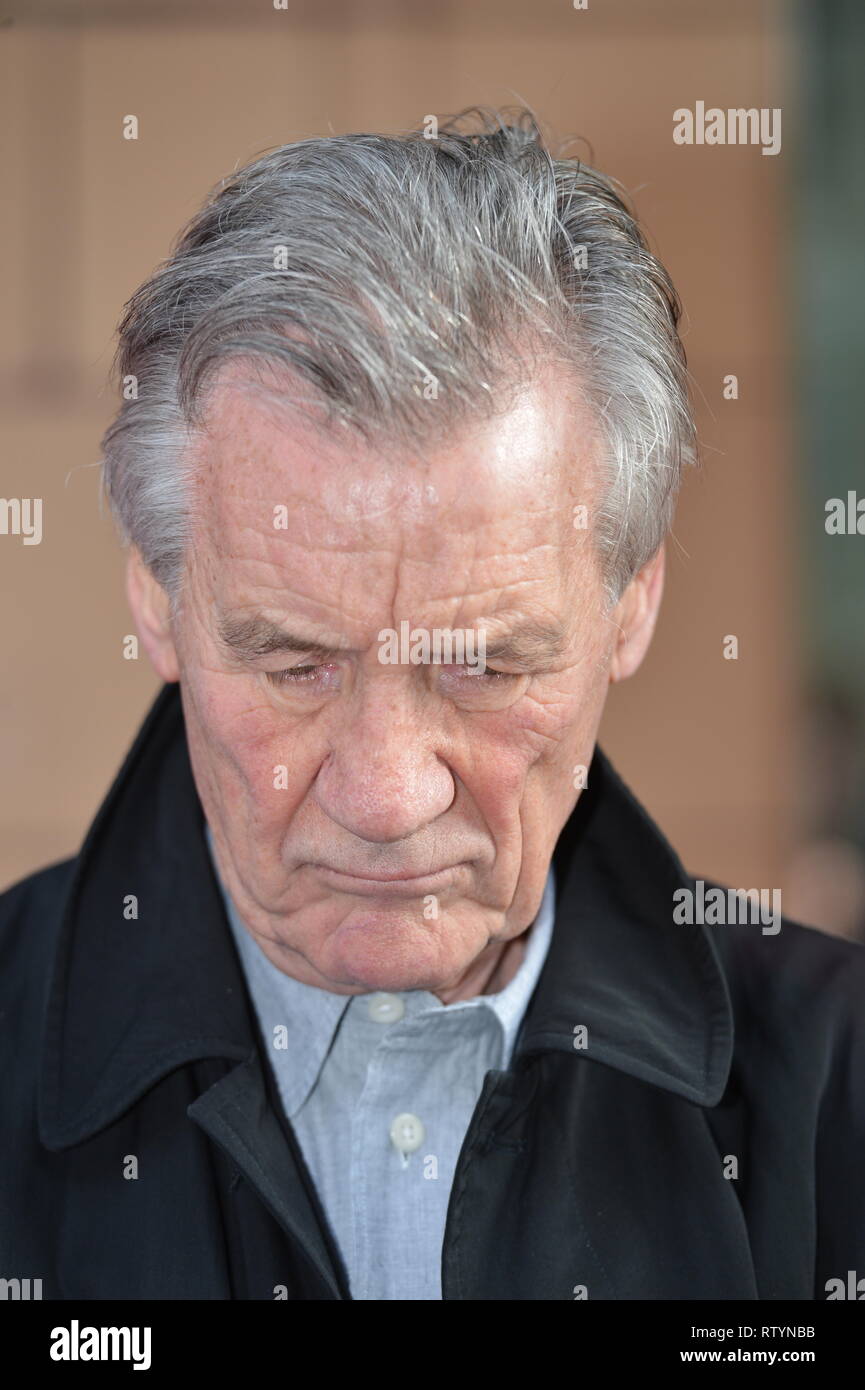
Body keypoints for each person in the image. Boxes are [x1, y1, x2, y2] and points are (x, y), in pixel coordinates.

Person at [1, 110, 863, 1301]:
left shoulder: (841, 1093)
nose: (386, 794)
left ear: (631, 604)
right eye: (296, 664)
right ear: (157, 597)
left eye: (484, 666)